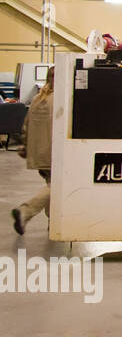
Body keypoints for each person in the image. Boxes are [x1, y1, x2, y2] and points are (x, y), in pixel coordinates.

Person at [12, 68, 53, 235]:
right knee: (57, 186)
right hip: (54, 152)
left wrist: (25, 146)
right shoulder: (61, 100)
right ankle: (25, 212)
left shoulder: (38, 98)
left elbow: (25, 126)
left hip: (38, 152)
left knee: (52, 184)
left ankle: (53, 221)